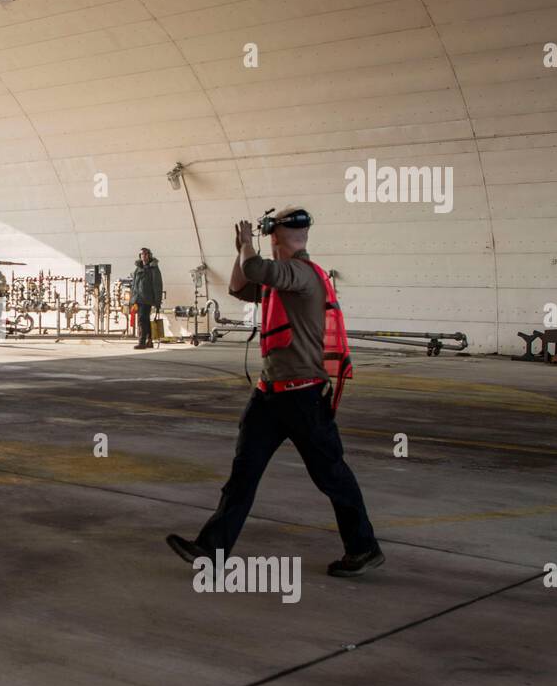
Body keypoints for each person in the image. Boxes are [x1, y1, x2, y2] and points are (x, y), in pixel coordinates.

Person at [165, 207, 384, 577]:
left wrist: (249, 245)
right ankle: (212, 549)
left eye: (270, 231)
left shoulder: (300, 273)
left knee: (331, 475)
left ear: (277, 235)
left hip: (302, 396)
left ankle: (363, 547)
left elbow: (256, 270)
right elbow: (240, 286)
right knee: (243, 473)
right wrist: (241, 250)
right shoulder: (280, 278)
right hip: (270, 395)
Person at [131, 248, 163, 349]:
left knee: (141, 320)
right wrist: (132, 299)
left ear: (149, 256)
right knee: (145, 320)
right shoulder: (138, 269)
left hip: (147, 299)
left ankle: (142, 342)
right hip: (138, 298)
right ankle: (149, 340)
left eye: (145, 254)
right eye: (141, 254)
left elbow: (157, 285)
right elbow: (134, 285)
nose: (143, 256)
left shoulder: (153, 269)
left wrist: (157, 301)